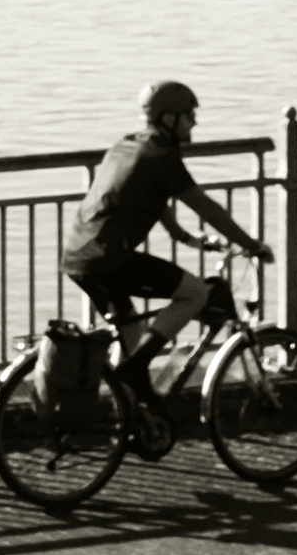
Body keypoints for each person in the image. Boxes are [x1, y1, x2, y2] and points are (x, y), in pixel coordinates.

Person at [61, 80, 273, 408]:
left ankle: (129, 420)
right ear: (169, 119)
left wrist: (182, 236)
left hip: (78, 258)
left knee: (133, 332)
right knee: (196, 293)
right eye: (189, 115)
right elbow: (206, 207)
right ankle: (135, 370)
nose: (195, 122)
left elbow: (147, 193)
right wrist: (252, 244)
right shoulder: (162, 156)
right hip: (109, 260)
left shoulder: (128, 145)